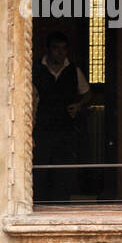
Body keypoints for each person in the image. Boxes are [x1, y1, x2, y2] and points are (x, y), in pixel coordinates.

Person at [33, 31, 91, 203]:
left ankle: (60, 206)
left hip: (66, 129)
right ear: (48, 49)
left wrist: (78, 106)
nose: (60, 52)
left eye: (64, 49)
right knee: (40, 169)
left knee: (63, 171)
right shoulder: (35, 69)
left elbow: (87, 94)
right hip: (41, 128)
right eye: (56, 48)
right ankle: (38, 206)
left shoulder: (74, 71)